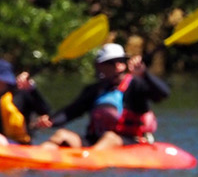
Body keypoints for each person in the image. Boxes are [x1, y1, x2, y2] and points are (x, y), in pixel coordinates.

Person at [38, 42, 169, 149]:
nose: (99, 68)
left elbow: (163, 94)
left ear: (118, 65)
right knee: (61, 135)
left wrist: (144, 74)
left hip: (128, 141)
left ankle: (89, 161)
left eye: (102, 65)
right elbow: (72, 111)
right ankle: (34, 157)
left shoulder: (136, 86)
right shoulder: (95, 90)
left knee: (110, 138)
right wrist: (51, 121)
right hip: (94, 140)